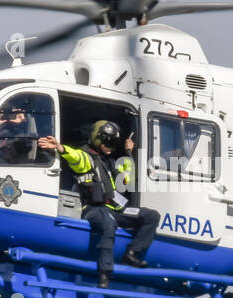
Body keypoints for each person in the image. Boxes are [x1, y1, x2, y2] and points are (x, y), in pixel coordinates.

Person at [37, 121, 160, 287]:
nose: (111, 147)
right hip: (94, 210)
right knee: (108, 223)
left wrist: (128, 153)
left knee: (151, 216)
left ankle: (132, 253)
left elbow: (126, 180)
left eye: (114, 143)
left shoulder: (109, 162)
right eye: (109, 142)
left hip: (117, 210)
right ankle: (105, 273)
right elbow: (76, 157)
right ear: (98, 140)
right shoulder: (87, 158)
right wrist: (60, 148)